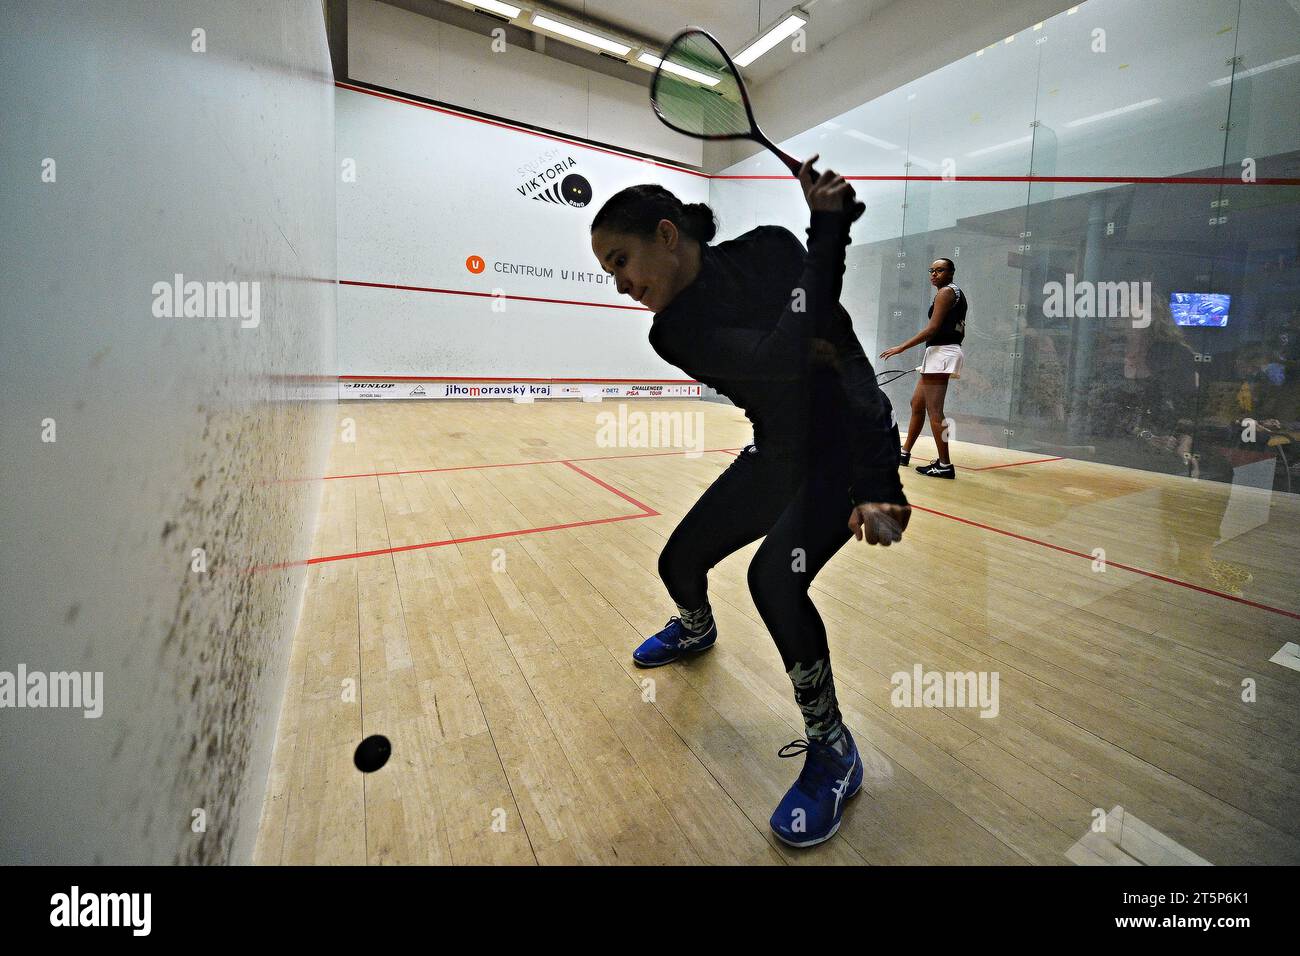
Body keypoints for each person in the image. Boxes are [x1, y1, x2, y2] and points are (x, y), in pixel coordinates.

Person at [589, 156, 910, 847]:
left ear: (667, 235)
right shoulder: (672, 329)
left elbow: (842, 353)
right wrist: (829, 234)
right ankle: (697, 628)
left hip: (837, 456)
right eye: (610, 273)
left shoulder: (769, 246)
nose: (621, 285)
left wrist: (878, 477)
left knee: (775, 581)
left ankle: (833, 749)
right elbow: (778, 357)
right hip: (778, 452)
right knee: (679, 562)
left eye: (622, 261)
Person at [879, 258, 967, 478]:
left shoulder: (946, 293)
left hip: (942, 353)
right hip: (939, 353)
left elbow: (932, 329)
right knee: (917, 403)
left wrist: (901, 347)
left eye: (940, 270)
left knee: (935, 412)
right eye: (932, 270)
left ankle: (945, 465)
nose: (934, 274)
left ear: (951, 273)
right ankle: (904, 452)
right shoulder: (952, 293)